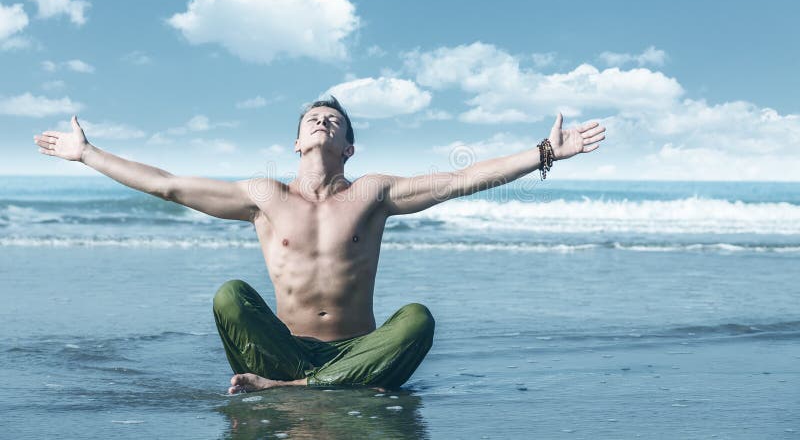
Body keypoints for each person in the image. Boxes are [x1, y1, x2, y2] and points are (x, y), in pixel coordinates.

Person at [33, 96, 605, 393]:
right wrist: (87, 154)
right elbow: (170, 184)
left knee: (417, 319)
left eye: (333, 120)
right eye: (313, 118)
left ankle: (296, 390)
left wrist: (545, 152)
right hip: (282, 348)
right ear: (297, 140)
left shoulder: (375, 192)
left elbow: (461, 179)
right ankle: (298, 380)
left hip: (359, 353)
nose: (322, 123)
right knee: (230, 294)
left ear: (349, 147)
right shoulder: (262, 195)